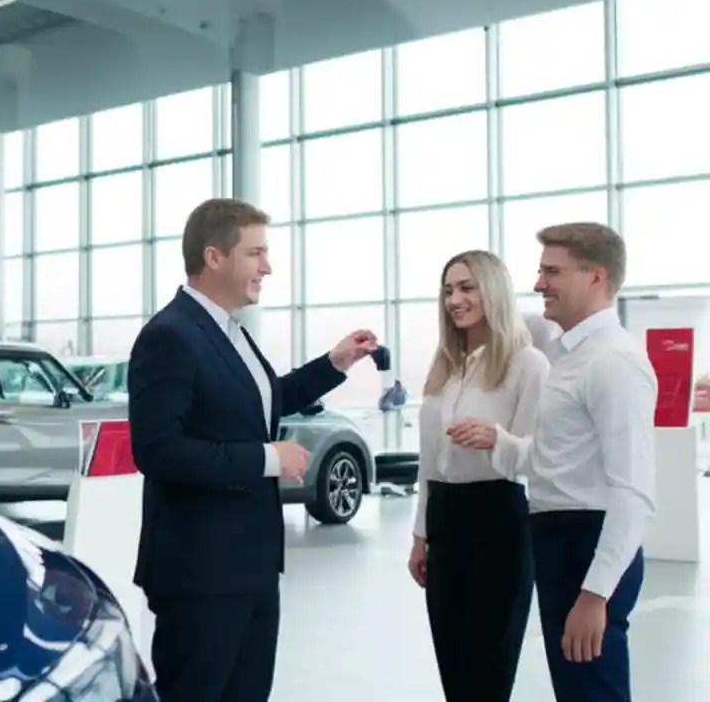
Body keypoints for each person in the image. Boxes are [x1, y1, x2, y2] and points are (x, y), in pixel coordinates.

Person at [127, 198, 378, 702]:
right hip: (201, 573)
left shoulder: (229, 331)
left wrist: (335, 363)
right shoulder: (170, 336)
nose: (267, 267)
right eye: (255, 253)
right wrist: (269, 459)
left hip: (251, 565)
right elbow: (157, 450)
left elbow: (259, 403)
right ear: (214, 257)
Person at [450, 222, 656, 701]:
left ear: (596, 277)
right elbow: (557, 460)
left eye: (552, 272)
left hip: (587, 542)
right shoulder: (570, 355)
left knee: (592, 691)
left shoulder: (612, 362)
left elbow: (634, 490)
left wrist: (595, 593)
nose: (539, 283)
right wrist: (499, 441)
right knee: (575, 688)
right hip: (556, 536)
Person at [407, 250, 550, 701]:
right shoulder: (445, 368)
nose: (455, 299)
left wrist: (496, 439)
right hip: (445, 518)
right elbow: (428, 462)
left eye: (467, 287)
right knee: (452, 665)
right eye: (449, 290)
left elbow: (541, 458)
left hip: (498, 519)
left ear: (494, 291)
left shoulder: (528, 364)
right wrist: (420, 535)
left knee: (486, 667)